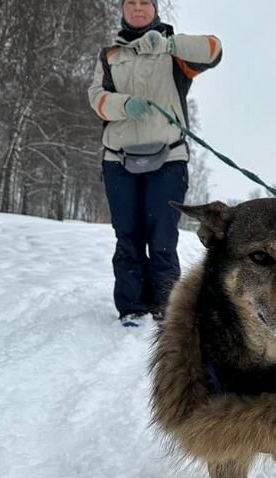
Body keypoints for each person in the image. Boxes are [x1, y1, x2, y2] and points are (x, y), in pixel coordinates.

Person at [88, 0, 222, 326]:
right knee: (128, 236)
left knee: (162, 236)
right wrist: (124, 105)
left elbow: (214, 50)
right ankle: (132, 306)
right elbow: (96, 98)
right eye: (130, 3)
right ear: (122, 10)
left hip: (168, 158)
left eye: (144, 3)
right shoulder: (109, 56)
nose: (137, 8)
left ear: (154, 9)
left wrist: (170, 43)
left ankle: (166, 306)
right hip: (119, 161)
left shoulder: (174, 51)